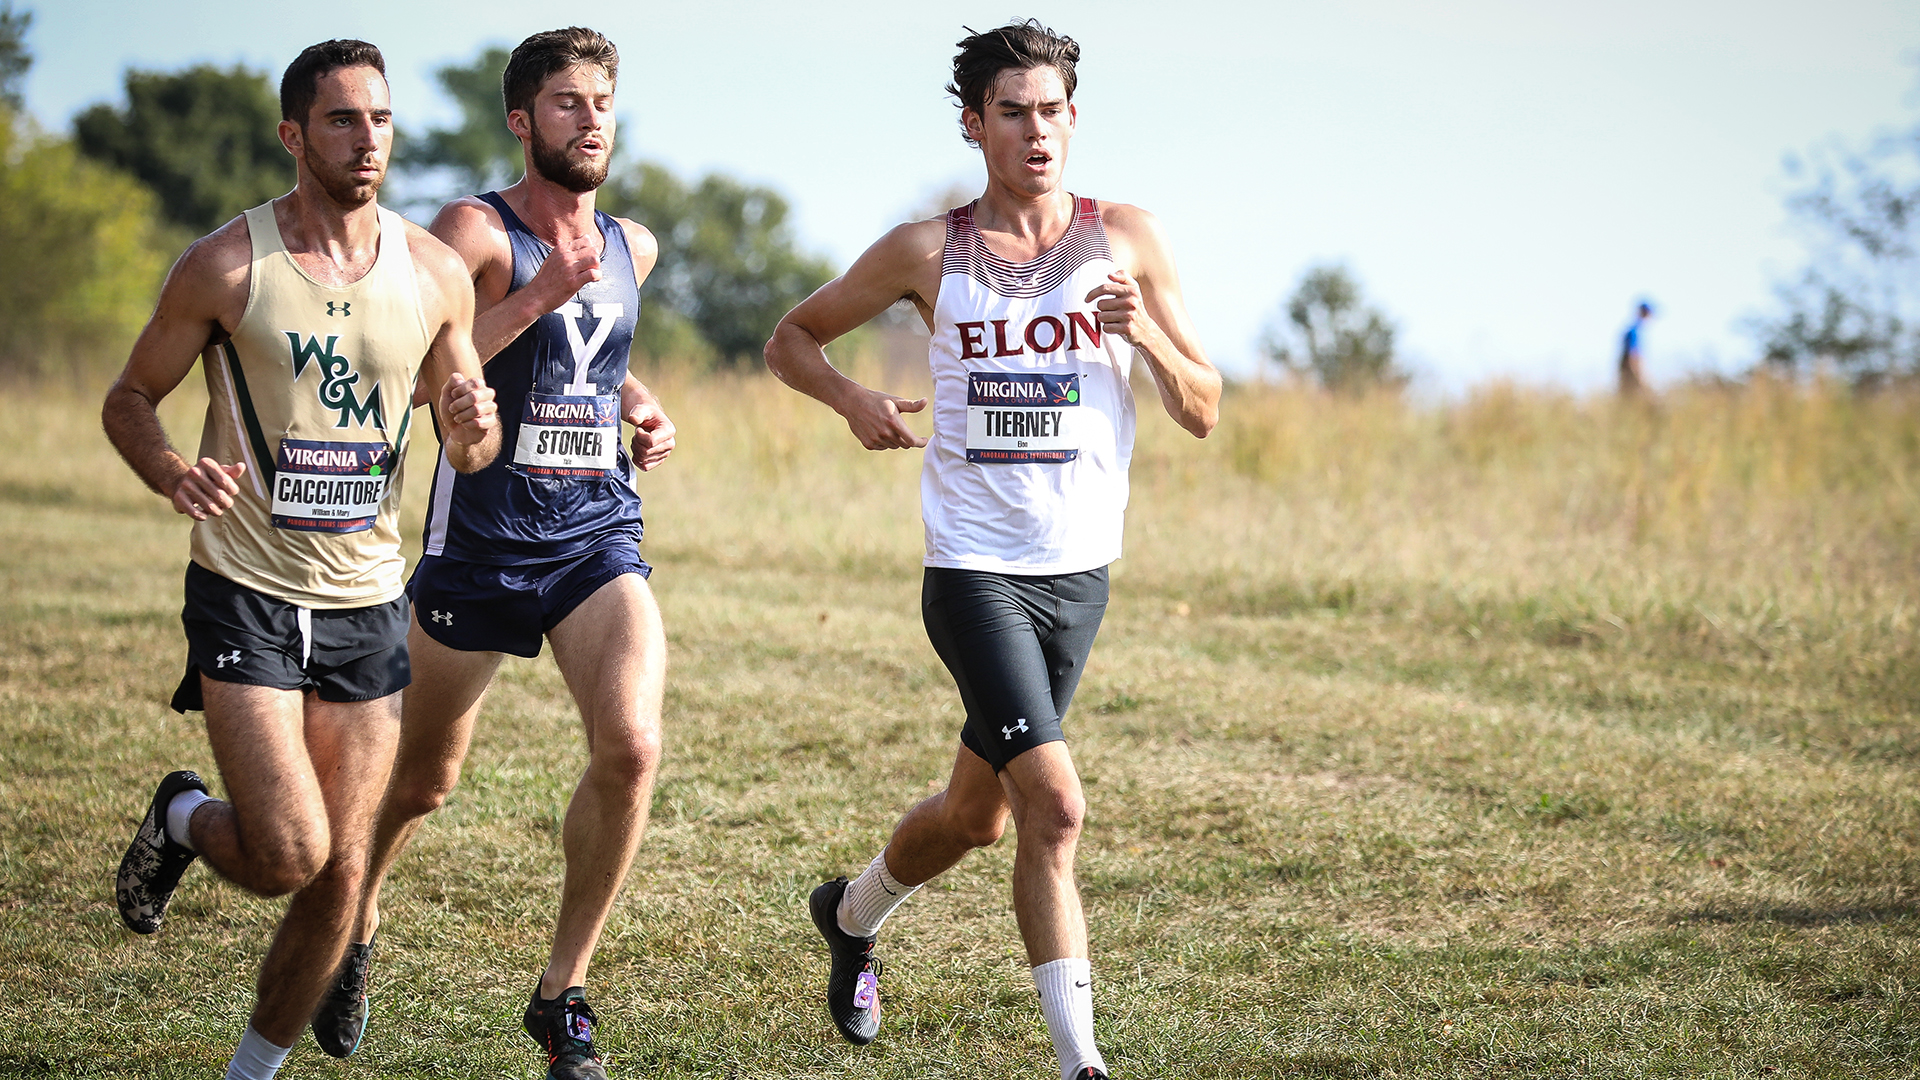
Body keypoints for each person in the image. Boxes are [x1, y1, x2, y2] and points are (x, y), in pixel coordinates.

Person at [764, 20, 1220, 1080]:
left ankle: (851, 913)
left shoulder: (1131, 240)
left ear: (1075, 117)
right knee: (1054, 807)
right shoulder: (930, 250)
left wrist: (1141, 333)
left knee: (975, 817)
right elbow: (792, 336)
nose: (1036, 131)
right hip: (972, 571)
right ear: (974, 126)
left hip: (1080, 576)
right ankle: (1082, 1065)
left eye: (1052, 109)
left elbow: (1202, 407)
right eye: (1011, 112)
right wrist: (850, 397)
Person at [103, 39, 500, 1080]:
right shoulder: (228, 266)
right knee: (289, 851)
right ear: (293, 136)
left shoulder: (435, 272)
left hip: (370, 599)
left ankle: (251, 1071)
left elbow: (469, 440)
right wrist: (167, 471)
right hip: (246, 589)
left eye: (380, 119)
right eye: (340, 120)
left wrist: (471, 420)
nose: (367, 139)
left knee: (343, 871)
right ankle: (186, 814)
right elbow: (129, 398)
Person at [307, 27, 675, 1080]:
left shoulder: (634, 245)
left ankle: (562, 995)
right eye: (565, 102)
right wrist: (539, 292)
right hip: (481, 547)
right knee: (419, 783)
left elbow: (600, 366)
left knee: (633, 747)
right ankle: (353, 927)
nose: (589, 118)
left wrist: (644, 411)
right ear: (522, 120)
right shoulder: (473, 230)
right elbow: (424, 371)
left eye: (601, 100)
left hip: (596, 535)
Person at [1620, 300, 1653, 394]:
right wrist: (1639, 378)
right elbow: (1632, 357)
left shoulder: (1636, 331)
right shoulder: (1634, 332)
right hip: (1632, 376)